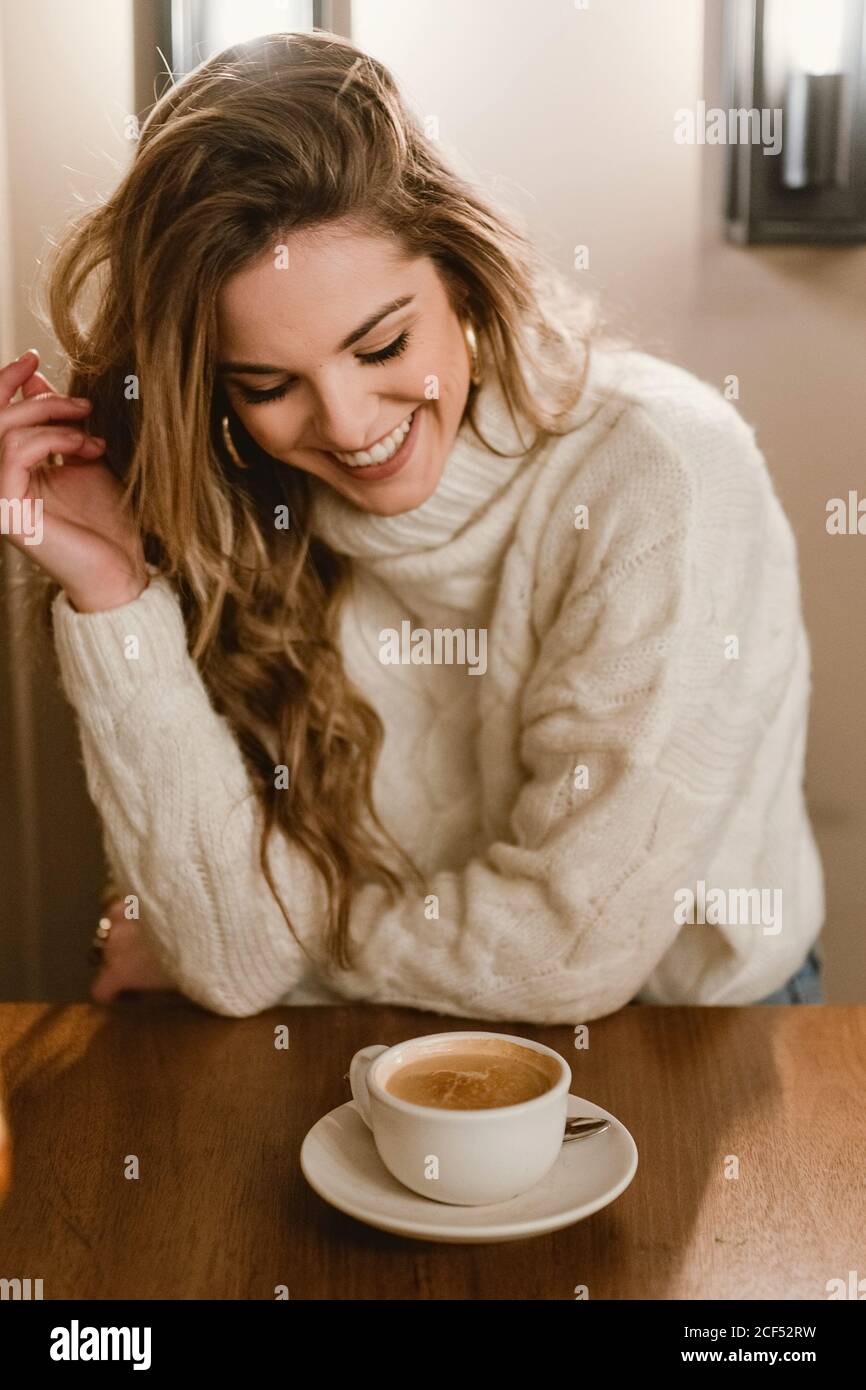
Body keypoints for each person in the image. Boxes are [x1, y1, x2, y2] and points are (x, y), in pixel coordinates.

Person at [1, 31, 824, 1019]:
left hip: (684, 1037)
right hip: (378, 1026)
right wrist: (116, 594)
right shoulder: (229, 498)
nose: (348, 427)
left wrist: (283, 938)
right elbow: (229, 962)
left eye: (381, 343)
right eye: (268, 385)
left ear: (462, 278)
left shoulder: (666, 477)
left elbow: (565, 953)